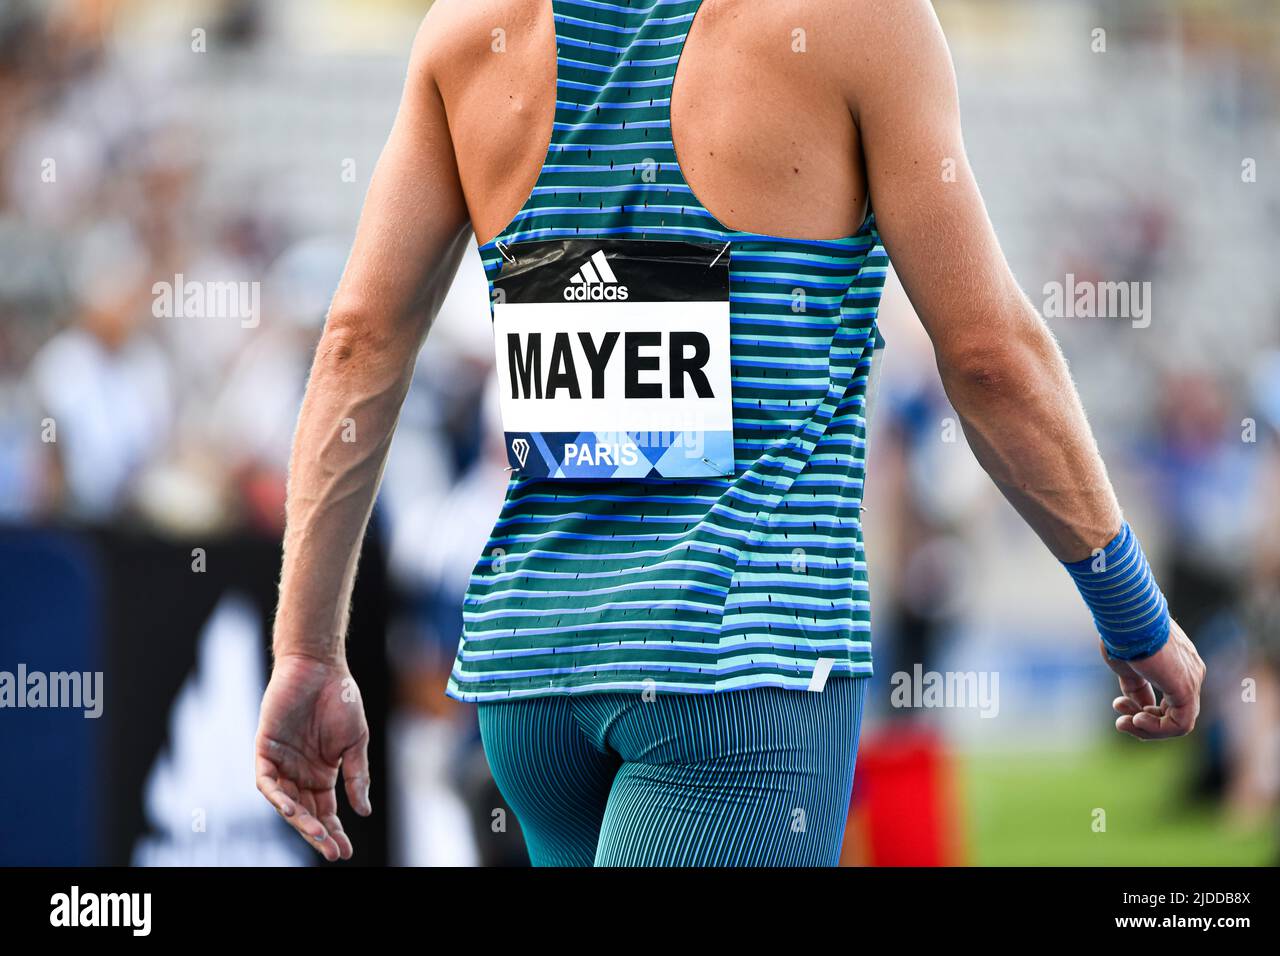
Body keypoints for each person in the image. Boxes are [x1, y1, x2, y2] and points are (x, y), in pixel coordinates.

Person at [255, 0, 1205, 866]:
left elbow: (359, 343)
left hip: (532, 676)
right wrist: (1128, 607)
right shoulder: (857, 21)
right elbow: (989, 357)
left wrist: (305, 650)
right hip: (738, 672)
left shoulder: (466, 33)